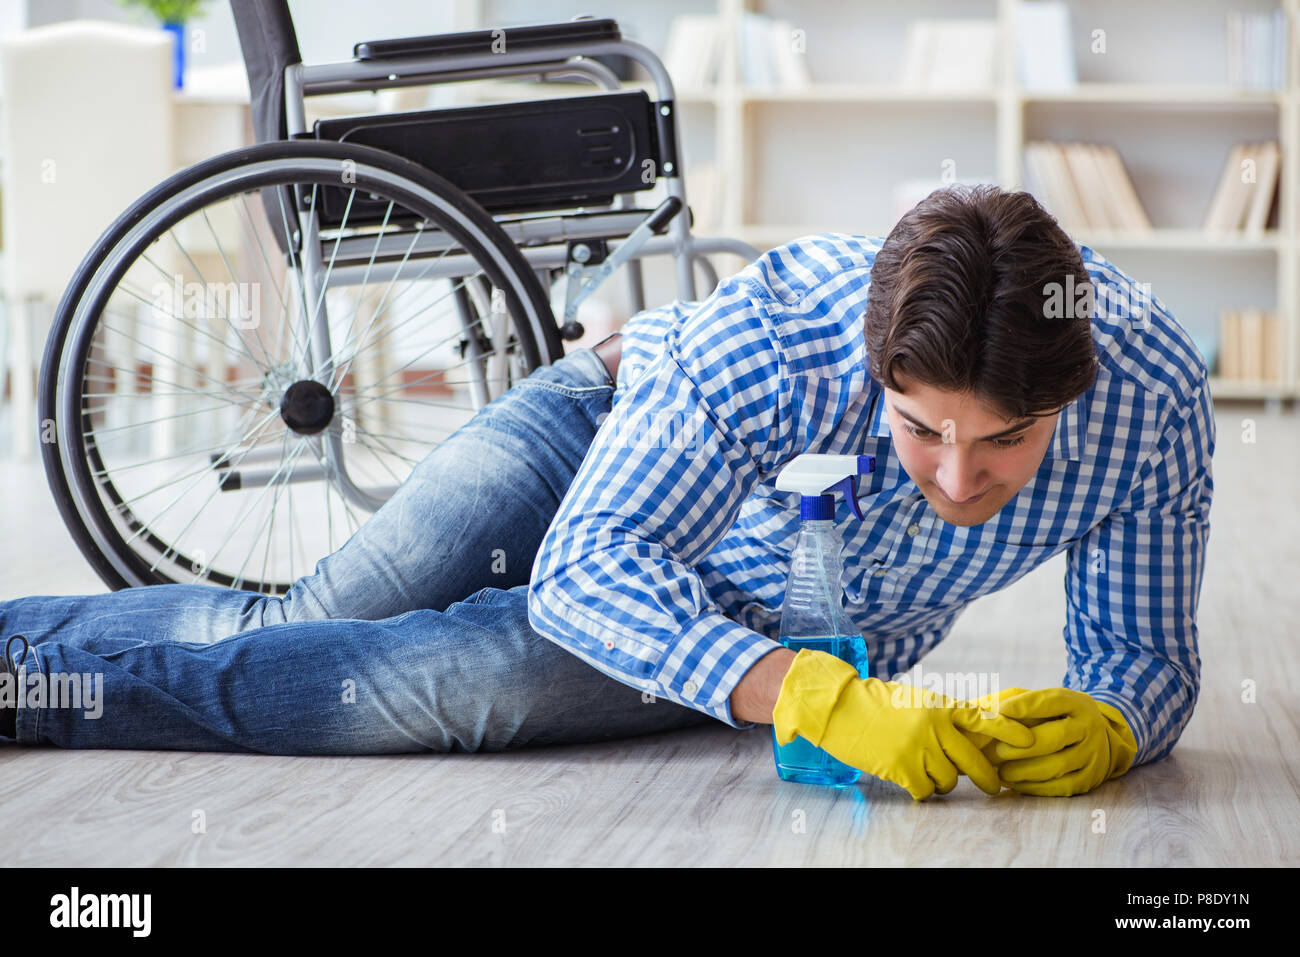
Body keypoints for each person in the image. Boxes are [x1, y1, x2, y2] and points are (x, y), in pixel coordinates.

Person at [0, 184, 1213, 801]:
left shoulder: (1149, 395)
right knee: (313, 622)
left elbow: (1142, 656)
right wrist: (799, 693)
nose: (958, 480)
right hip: (595, 432)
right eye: (916, 429)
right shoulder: (778, 343)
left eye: (1003, 442)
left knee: (424, 692)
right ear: (871, 365)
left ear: (1072, 386)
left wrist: (1112, 727)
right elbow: (593, 568)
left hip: (757, 602)